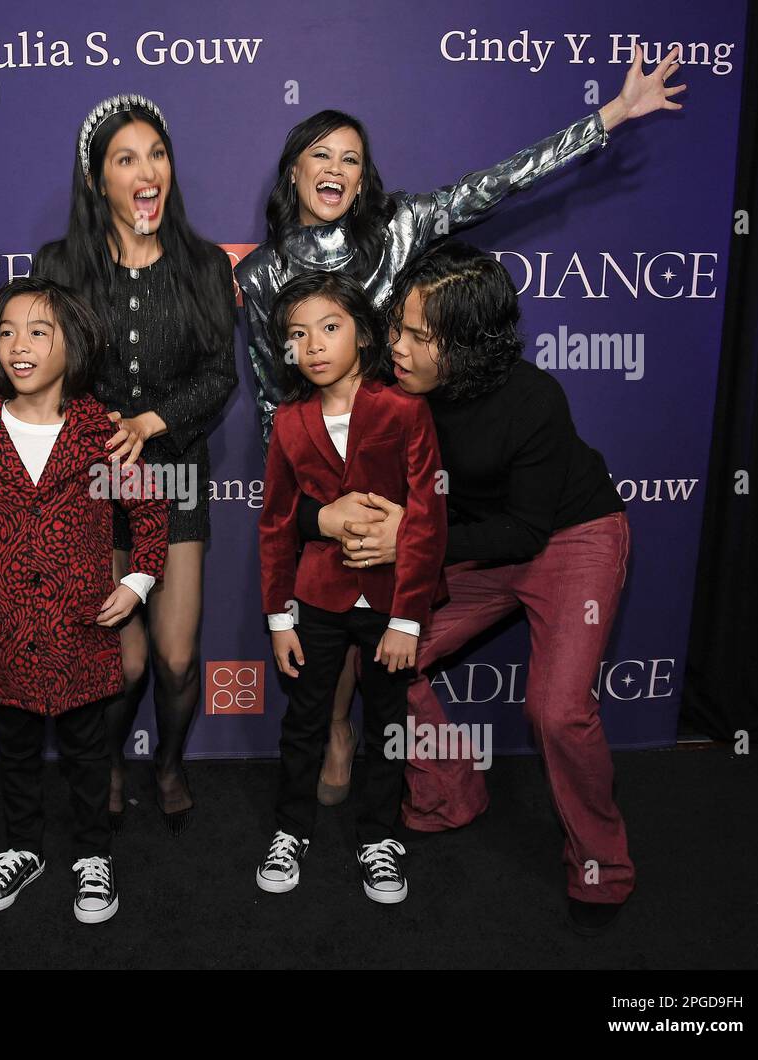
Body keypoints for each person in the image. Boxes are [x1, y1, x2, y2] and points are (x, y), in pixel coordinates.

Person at [236, 43, 686, 803]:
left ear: (364, 175)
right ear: (293, 170)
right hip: (323, 456)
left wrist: (610, 114)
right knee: (330, 614)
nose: (336, 167)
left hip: (402, 444)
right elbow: (271, 395)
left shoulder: (401, 229)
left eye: (352, 155)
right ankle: (346, 736)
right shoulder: (258, 275)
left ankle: (352, 739)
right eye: (321, 152)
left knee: (382, 621)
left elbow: (502, 182)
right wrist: (309, 503)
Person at [300, 242, 634, 934]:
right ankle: (453, 791)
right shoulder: (392, 391)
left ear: (469, 345)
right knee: (387, 655)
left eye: (420, 337)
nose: (398, 346)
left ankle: (601, 862)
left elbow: (525, 533)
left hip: (572, 539)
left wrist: (413, 540)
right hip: (474, 539)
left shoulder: (535, 400)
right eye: (397, 326)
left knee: (556, 709)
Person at [0, 277, 168, 922]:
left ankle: (93, 856)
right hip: (1, 629)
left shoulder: (100, 430)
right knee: (17, 748)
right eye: (6, 332)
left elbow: (149, 508)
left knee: (90, 750)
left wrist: (137, 582)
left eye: (39, 332)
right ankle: (21, 849)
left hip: (80, 628)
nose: (18, 345)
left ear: (74, 346)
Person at [34, 94, 236, 834]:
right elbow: (39, 371)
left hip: (176, 473)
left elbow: (221, 377)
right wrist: (94, 429)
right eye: (126, 158)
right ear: (97, 181)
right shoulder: (59, 267)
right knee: (121, 665)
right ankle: (111, 763)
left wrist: (155, 419)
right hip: (96, 482)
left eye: (156, 153)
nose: (147, 171)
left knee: (177, 659)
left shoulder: (206, 264)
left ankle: (171, 761)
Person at [256, 272, 445, 901]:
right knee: (305, 718)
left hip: (391, 601)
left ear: (363, 334)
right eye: (297, 334)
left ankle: (378, 838)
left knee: (390, 721)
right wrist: (279, 619)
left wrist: (407, 619)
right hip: (317, 598)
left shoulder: (405, 410)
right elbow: (278, 525)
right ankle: (290, 830)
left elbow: (426, 518)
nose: (312, 345)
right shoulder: (288, 422)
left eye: (329, 328)